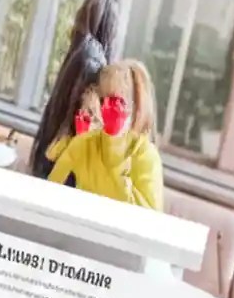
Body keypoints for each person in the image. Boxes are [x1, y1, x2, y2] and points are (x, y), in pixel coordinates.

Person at [47, 59, 164, 211]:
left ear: (136, 108)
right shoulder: (85, 143)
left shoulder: (145, 156)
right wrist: (75, 133)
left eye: (118, 102)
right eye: (104, 100)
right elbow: (50, 186)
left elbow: (150, 218)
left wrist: (114, 144)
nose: (108, 109)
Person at [29, 0, 121, 178]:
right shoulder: (94, 64)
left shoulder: (82, 54)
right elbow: (79, 132)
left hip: (51, 163)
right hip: (65, 171)